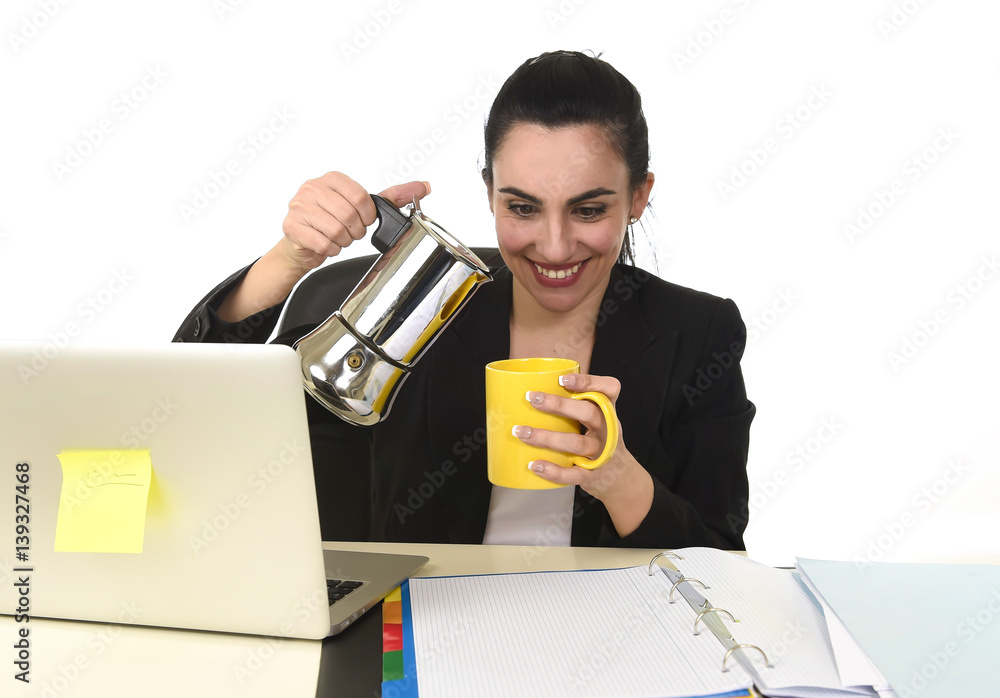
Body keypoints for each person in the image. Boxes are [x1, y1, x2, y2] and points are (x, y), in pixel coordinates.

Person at [174, 50, 755, 550]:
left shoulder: (700, 331)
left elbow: (722, 560)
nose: (554, 247)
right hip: (421, 636)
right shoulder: (421, 298)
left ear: (638, 195)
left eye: (589, 209)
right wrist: (288, 261)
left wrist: (619, 478)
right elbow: (188, 417)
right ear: (489, 193)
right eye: (522, 207)